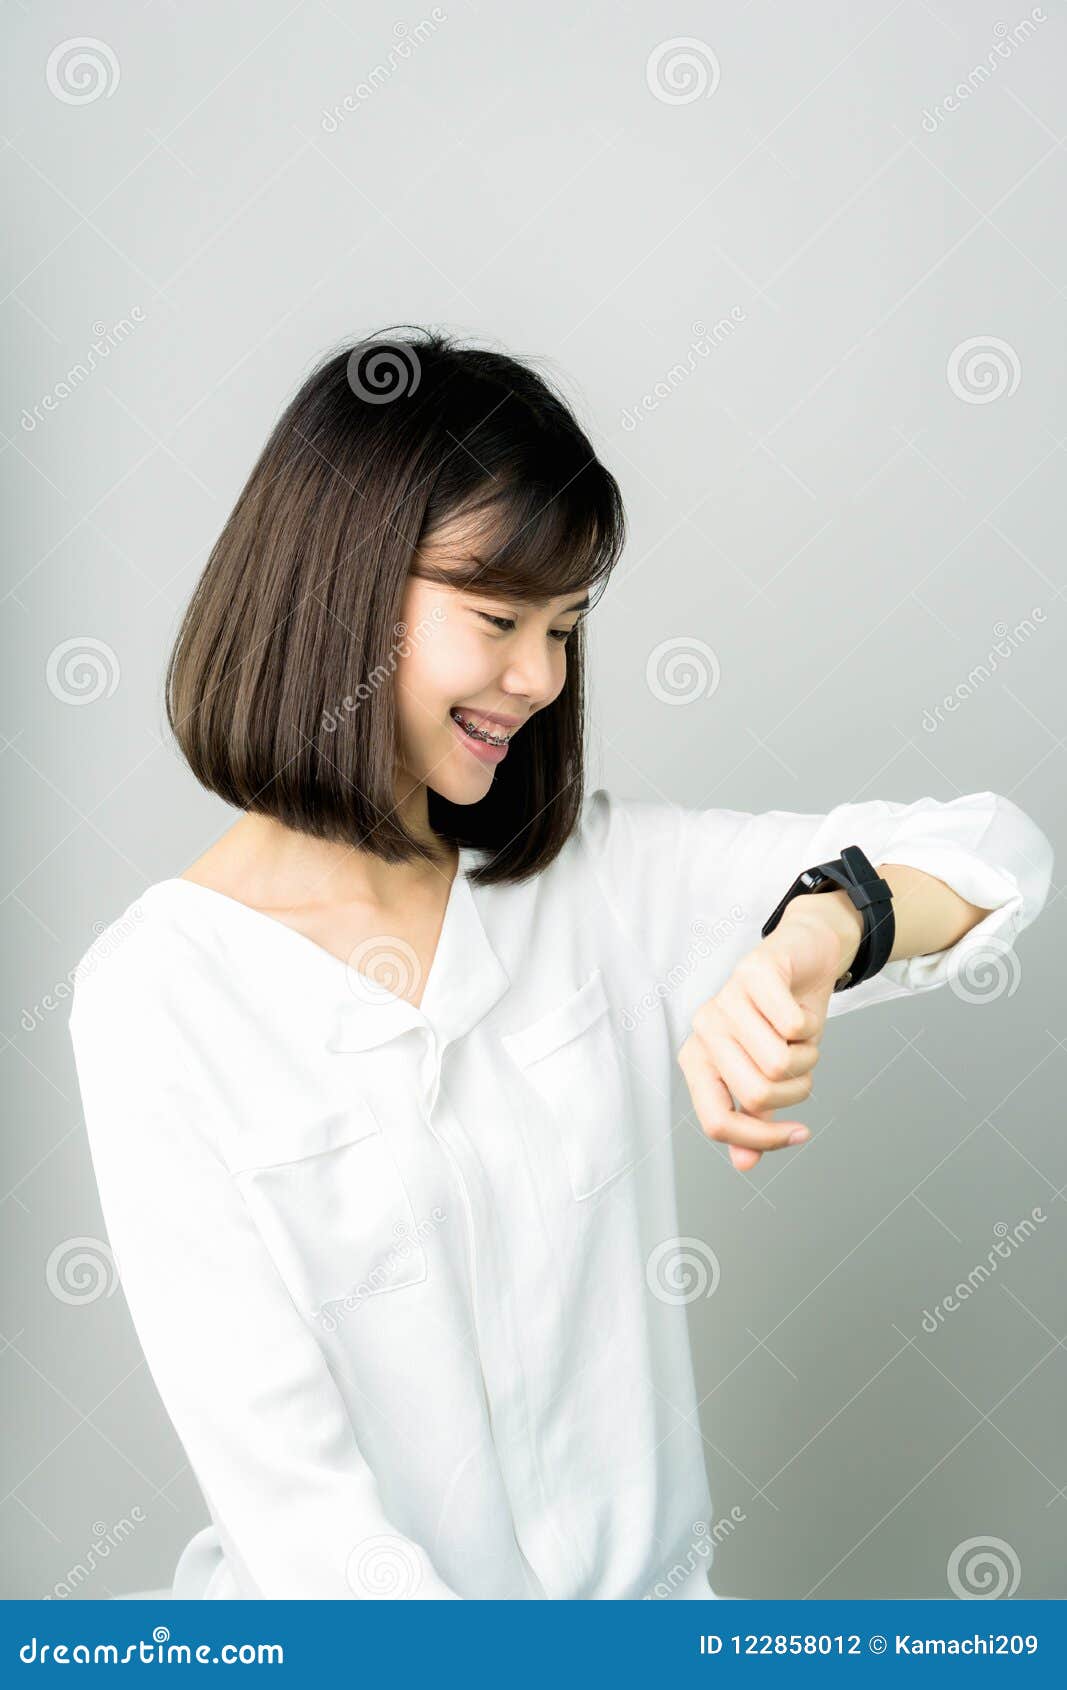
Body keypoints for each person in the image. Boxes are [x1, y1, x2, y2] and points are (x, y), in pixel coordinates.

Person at [67, 328, 1054, 1600]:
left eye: (567, 626)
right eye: (496, 618)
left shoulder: (588, 880)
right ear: (339, 589)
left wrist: (819, 927)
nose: (538, 677)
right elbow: (304, 1523)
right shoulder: (157, 998)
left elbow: (993, 854)